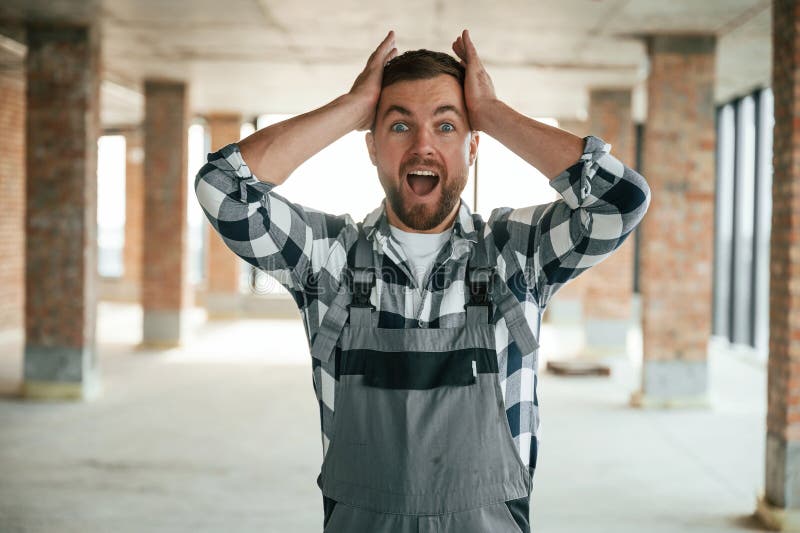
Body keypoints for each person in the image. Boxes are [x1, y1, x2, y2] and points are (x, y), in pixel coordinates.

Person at [195, 29, 651, 533]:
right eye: (399, 127)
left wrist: (495, 114)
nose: (423, 146)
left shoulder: (516, 255)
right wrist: (352, 107)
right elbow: (224, 190)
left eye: (447, 126)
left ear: (474, 147)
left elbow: (620, 202)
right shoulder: (327, 260)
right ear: (370, 147)